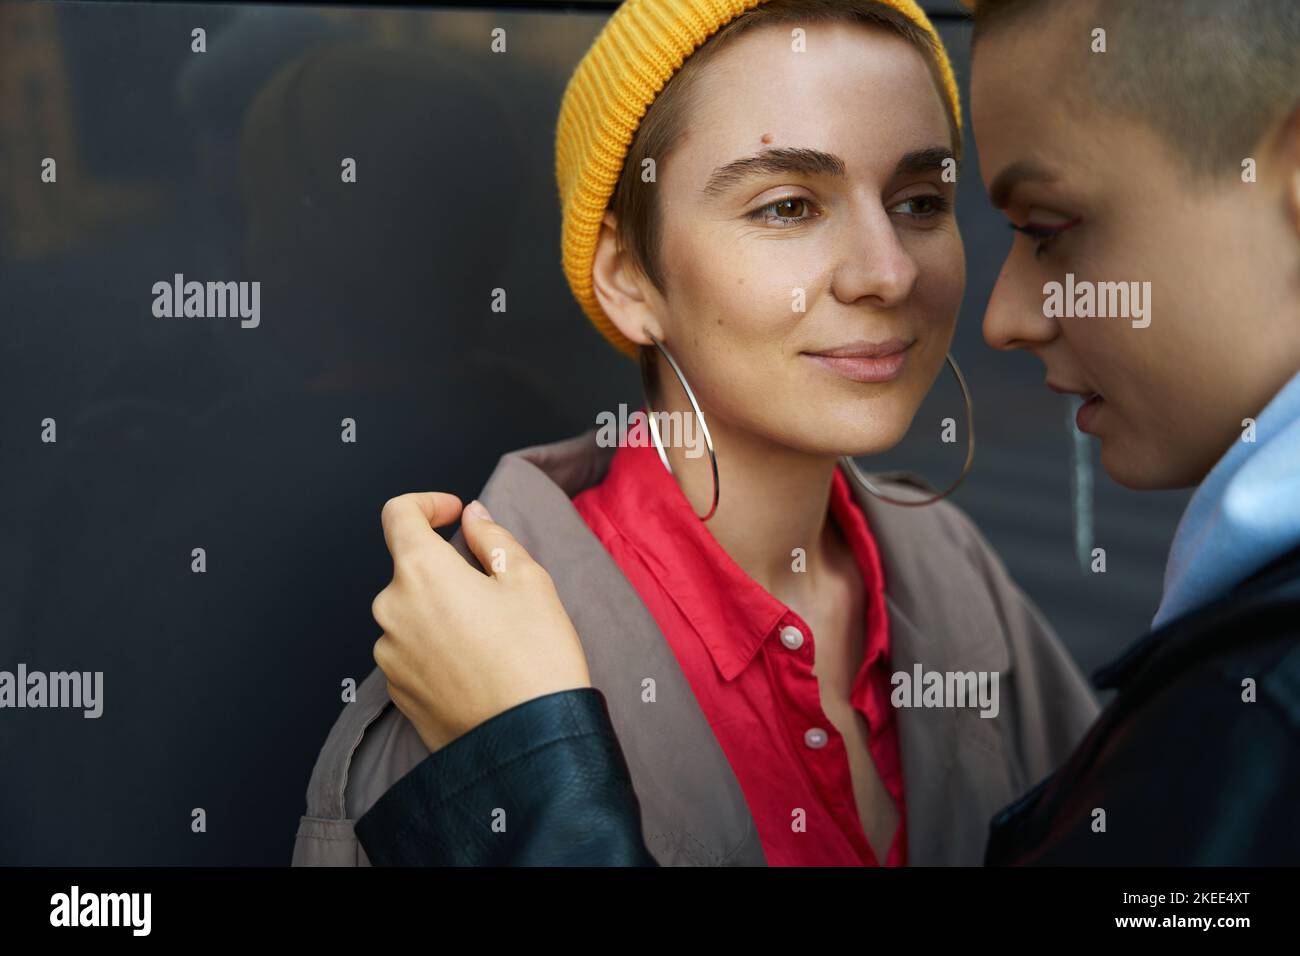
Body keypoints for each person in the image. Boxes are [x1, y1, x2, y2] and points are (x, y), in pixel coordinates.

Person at [346, 0, 1300, 866]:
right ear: (629, 278)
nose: (887, 272)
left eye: (920, 202)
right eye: (789, 206)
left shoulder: (949, 571)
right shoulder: (470, 682)